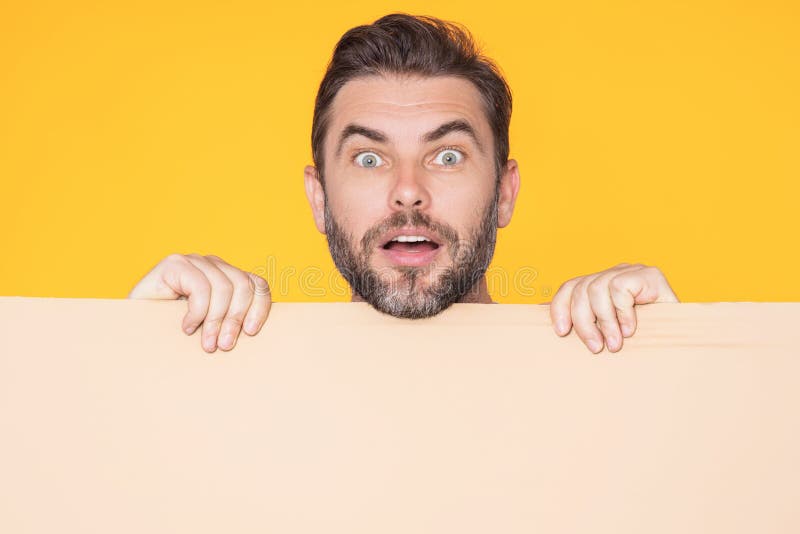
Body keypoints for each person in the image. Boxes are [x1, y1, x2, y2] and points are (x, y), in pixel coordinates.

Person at [128, 13, 679, 355]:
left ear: (504, 192)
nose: (408, 190)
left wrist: (673, 353)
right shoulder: (239, 387)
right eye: (369, 158)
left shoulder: (591, 372)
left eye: (446, 155)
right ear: (318, 199)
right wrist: (126, 346)